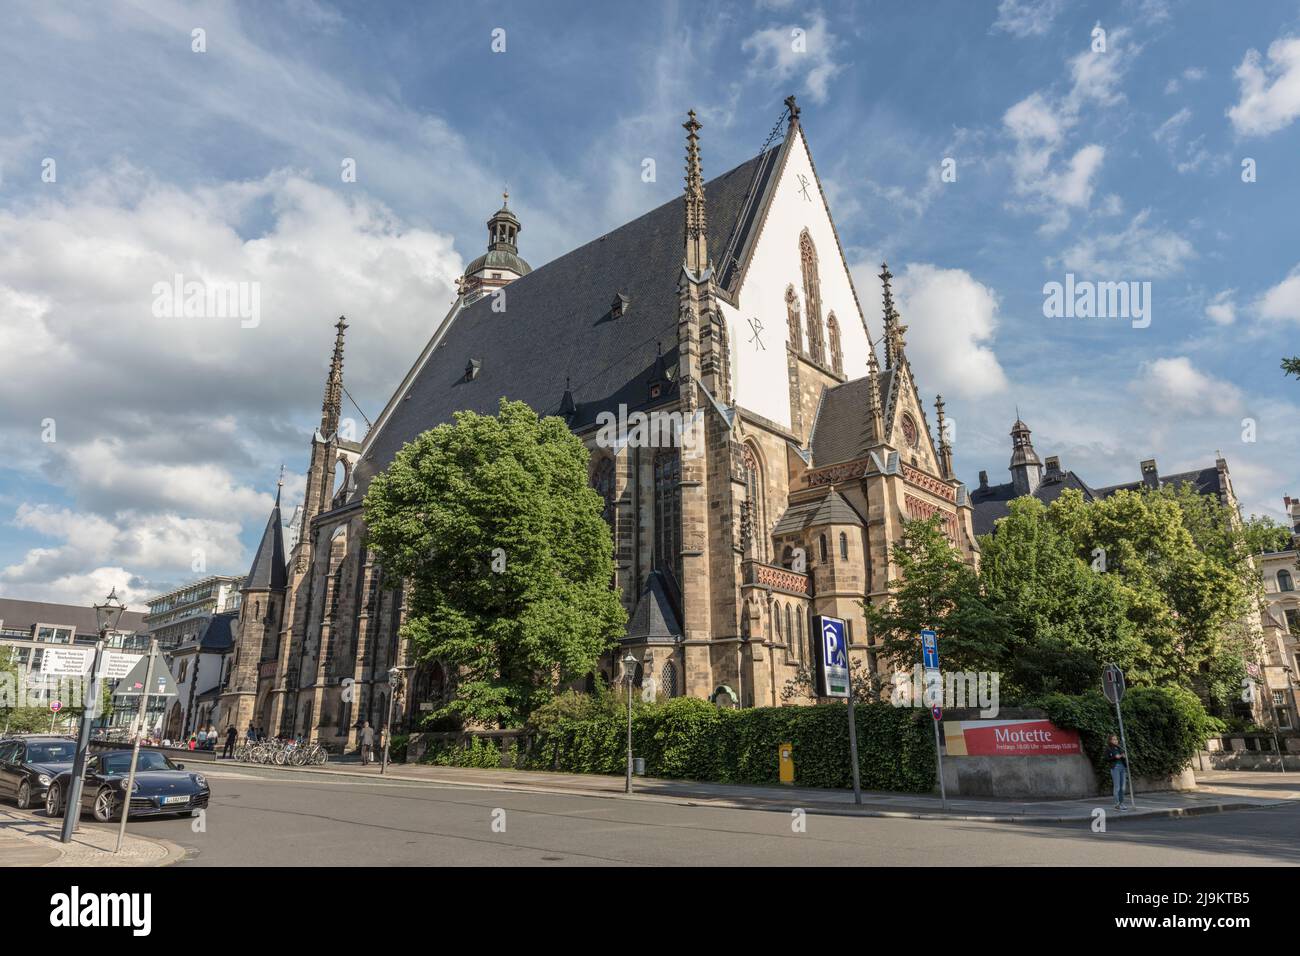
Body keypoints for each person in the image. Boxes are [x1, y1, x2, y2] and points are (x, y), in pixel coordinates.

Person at [1106, 733, 1129, 810]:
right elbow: (1107, 759)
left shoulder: (1119, 748)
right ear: (1110, 740)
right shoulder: (1108, 748)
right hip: (1115, 768)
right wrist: (1114, 757)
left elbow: (1123, 757)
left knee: (1123, 787)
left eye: (1116, 739)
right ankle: (1117, 804)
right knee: (1117, 787)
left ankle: (1121, 803)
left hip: (1122, 767)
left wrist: (1123, 756)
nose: (1116, 741)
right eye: (1114, 739)